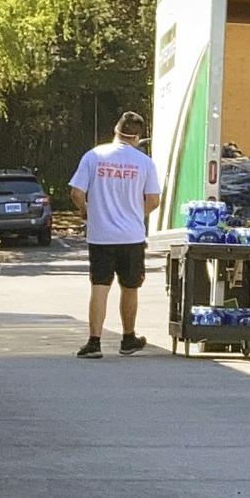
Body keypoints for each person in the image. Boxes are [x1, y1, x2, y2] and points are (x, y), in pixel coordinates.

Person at [68, 111, 162, 357]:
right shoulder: (144, 162)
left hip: (101, 236)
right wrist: (135, 214)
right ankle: (128, 338)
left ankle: (94, 342)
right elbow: (154, 200)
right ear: (137, 137)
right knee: (130, 287)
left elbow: (76, 193)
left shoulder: (94, 156)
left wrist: (87, 211)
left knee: (99, 287)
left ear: (116, 130)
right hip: (131, 237)